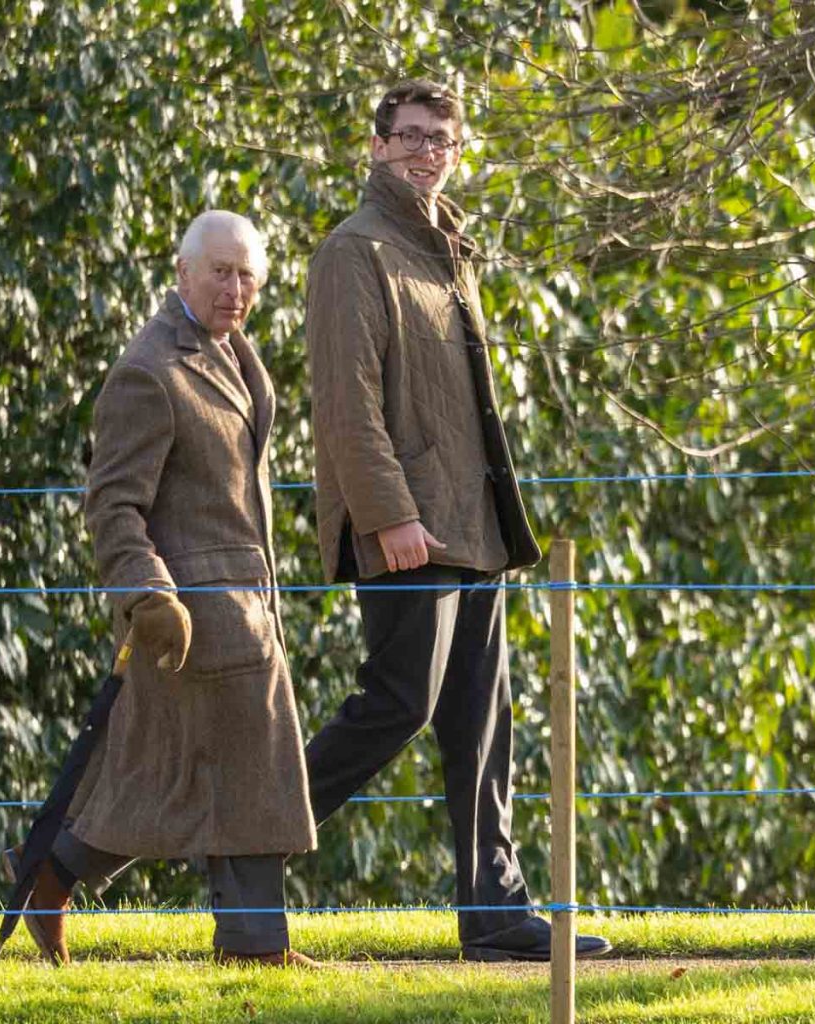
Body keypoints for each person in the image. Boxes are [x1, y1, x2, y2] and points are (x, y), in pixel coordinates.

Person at [303, 80, 610, 962]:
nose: (426, 153)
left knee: (482, 721)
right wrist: (389, 514)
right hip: (409, 530)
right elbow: (347, 406)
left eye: (441, 139)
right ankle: (254, 835)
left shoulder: (447, 248)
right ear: (375, 147)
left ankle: (496, 913)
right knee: (398, 704)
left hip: (473, 526)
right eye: (409, 137)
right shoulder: (352, 252)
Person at [6, 211, 318, 968]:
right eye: (220, 272)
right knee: (233, 780)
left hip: (244, 613)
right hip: (187, 621)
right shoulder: (149, 368)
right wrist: (147, 595)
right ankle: (250, 947)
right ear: (181, 273)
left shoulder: (232, 351)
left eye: (248, 275)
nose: (235, 288)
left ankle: (52, 873)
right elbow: (112, 504)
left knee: (169, 780)